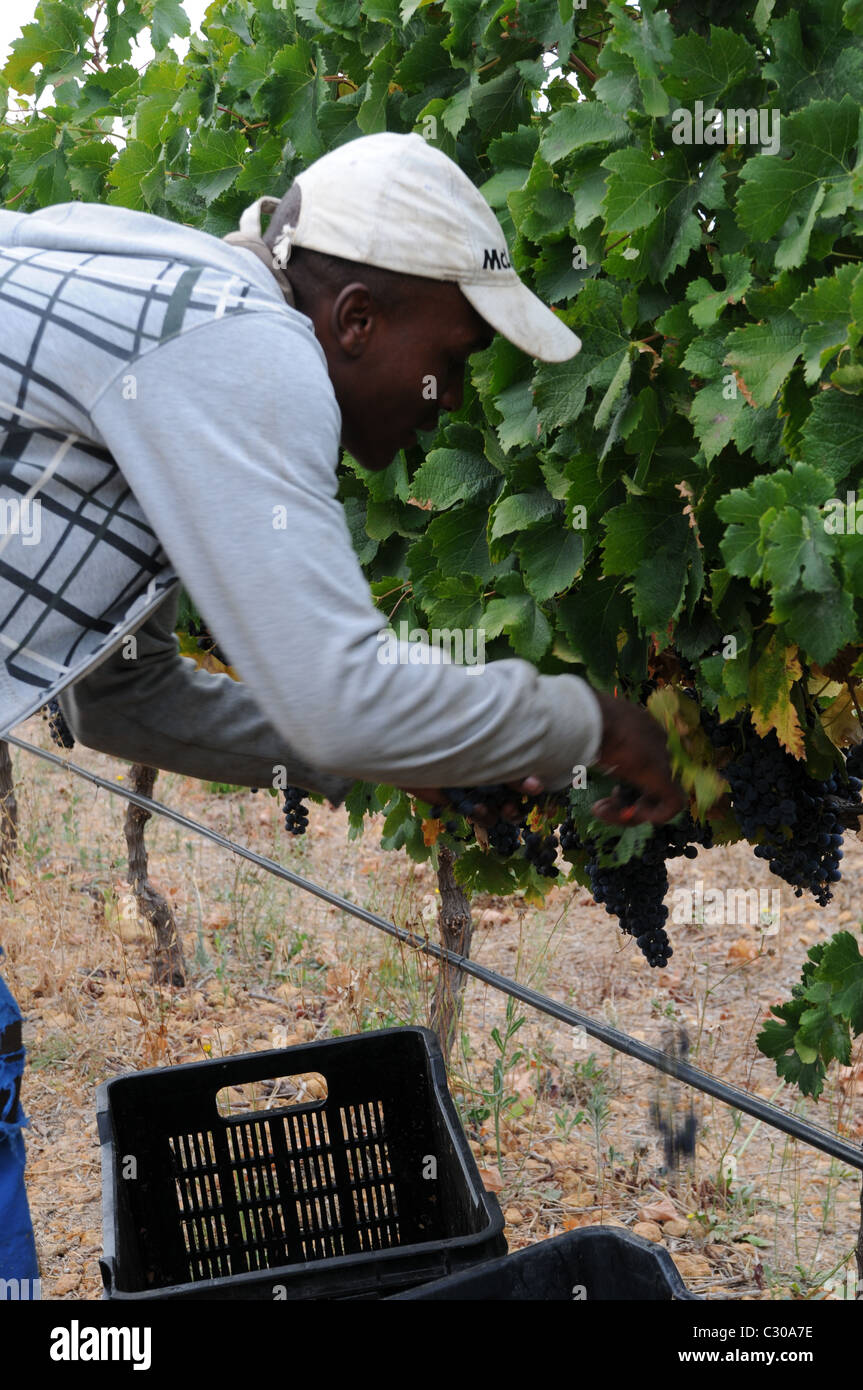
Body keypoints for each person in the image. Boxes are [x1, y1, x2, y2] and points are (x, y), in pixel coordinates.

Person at [0, 132, 683, 1282]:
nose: (453, 398)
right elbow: (336, 696)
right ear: (356, 318)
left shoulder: (177, 305)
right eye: (453, 355)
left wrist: (369, 755)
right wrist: (591, 723)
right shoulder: (246, 351)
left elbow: (116, 699)